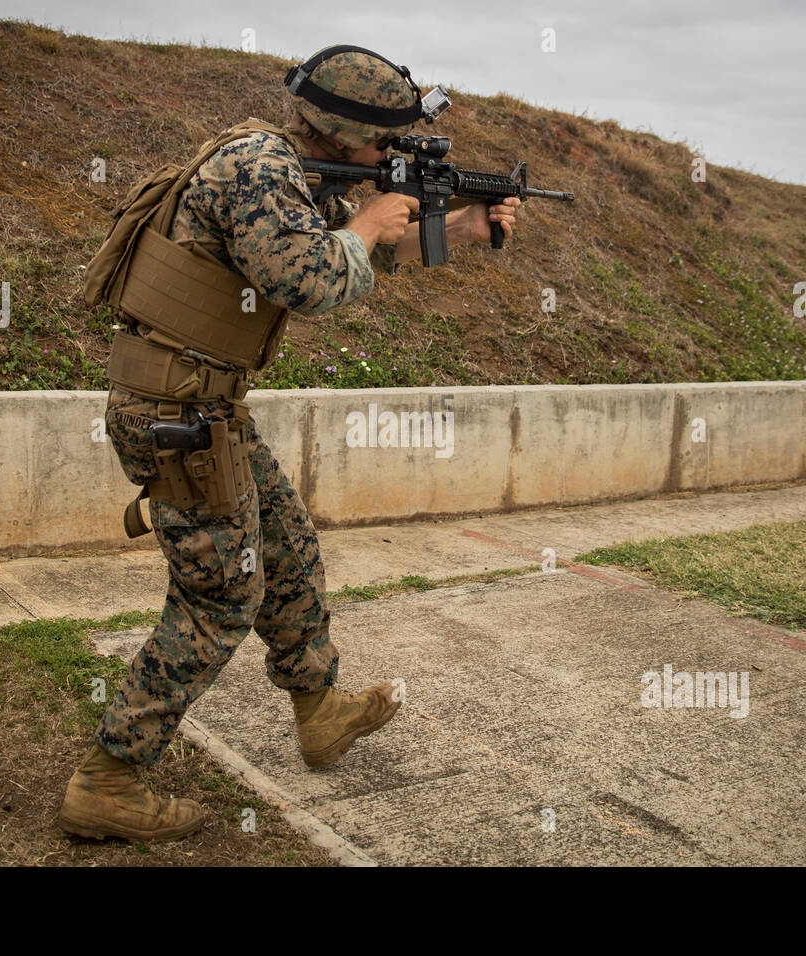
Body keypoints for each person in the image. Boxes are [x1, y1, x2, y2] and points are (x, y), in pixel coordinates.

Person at [58, 45, 521, 842]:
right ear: (343, 133)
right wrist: (372, 222)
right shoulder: (258, 170)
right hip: (178, 417)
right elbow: (308, 279)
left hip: (206, 410)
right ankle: (109, 778)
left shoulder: (290, 170)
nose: (392, 157)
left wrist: (464, 225)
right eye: (385, 144)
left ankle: (320, 710)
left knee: (288, 547)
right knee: (220, 597)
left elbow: (359, 247)